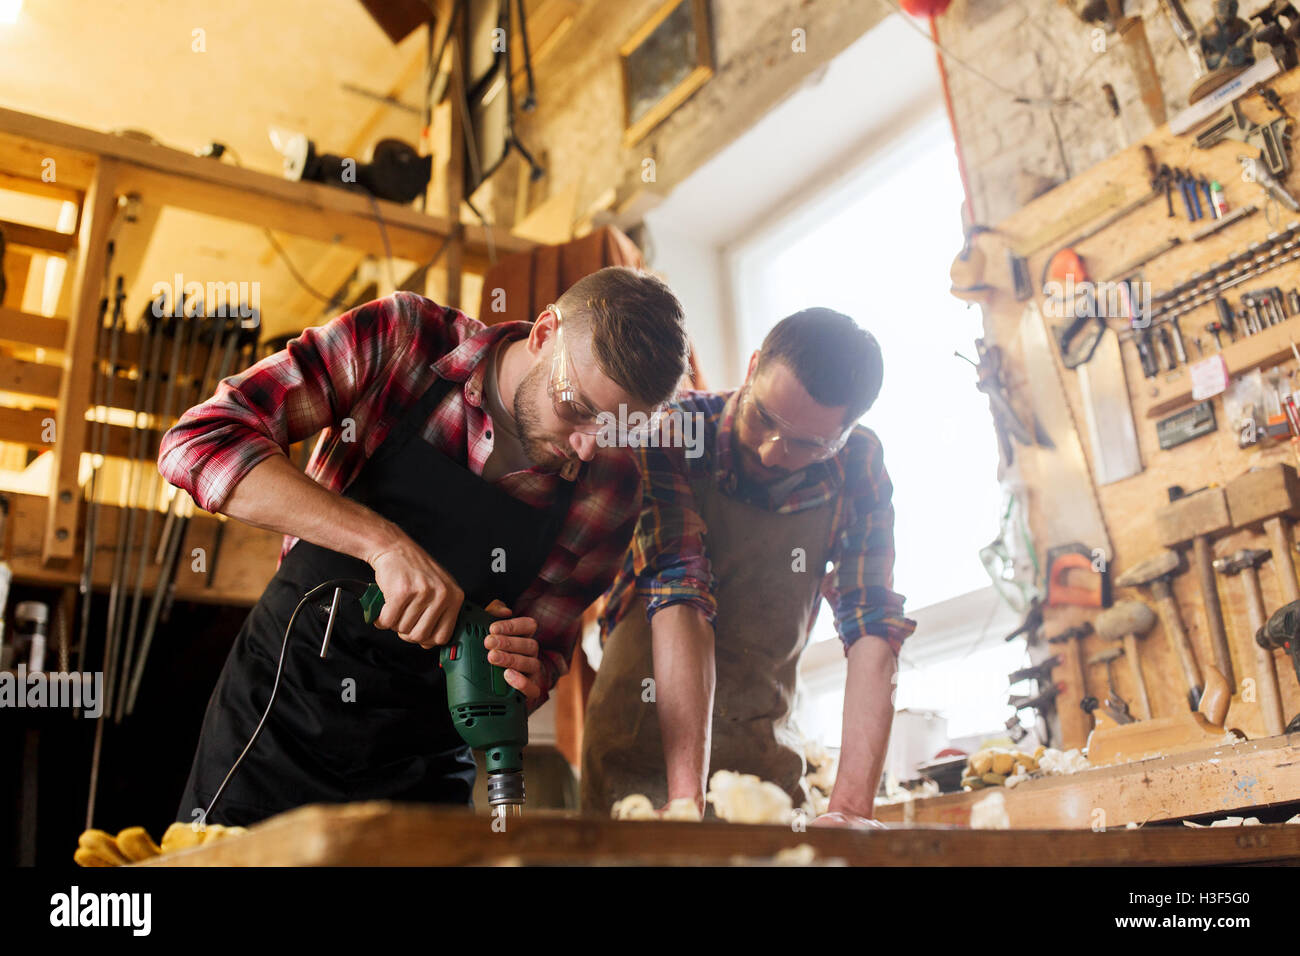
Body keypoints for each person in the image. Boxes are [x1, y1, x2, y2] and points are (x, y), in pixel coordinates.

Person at [158, 266, 690, 826]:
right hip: (281, 718)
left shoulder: (614, 486)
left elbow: (546, 650)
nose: (585, 450)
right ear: (543, 334)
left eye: (613, 432)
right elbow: (200, 442)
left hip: (425, 762)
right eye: (577, 408)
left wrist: (523, 671)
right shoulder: (405, 341)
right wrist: (381, 542)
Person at [582, 307, 915, 825]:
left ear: (847, 434)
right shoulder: (673, 429)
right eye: (765, 417)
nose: (772, 451)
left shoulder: (860, 465)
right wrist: (686, 805)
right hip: (641, 754)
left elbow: (871, 624)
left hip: (764, 763)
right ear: (753, 366)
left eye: (809, 444)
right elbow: (680, 596)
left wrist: (851, 811)